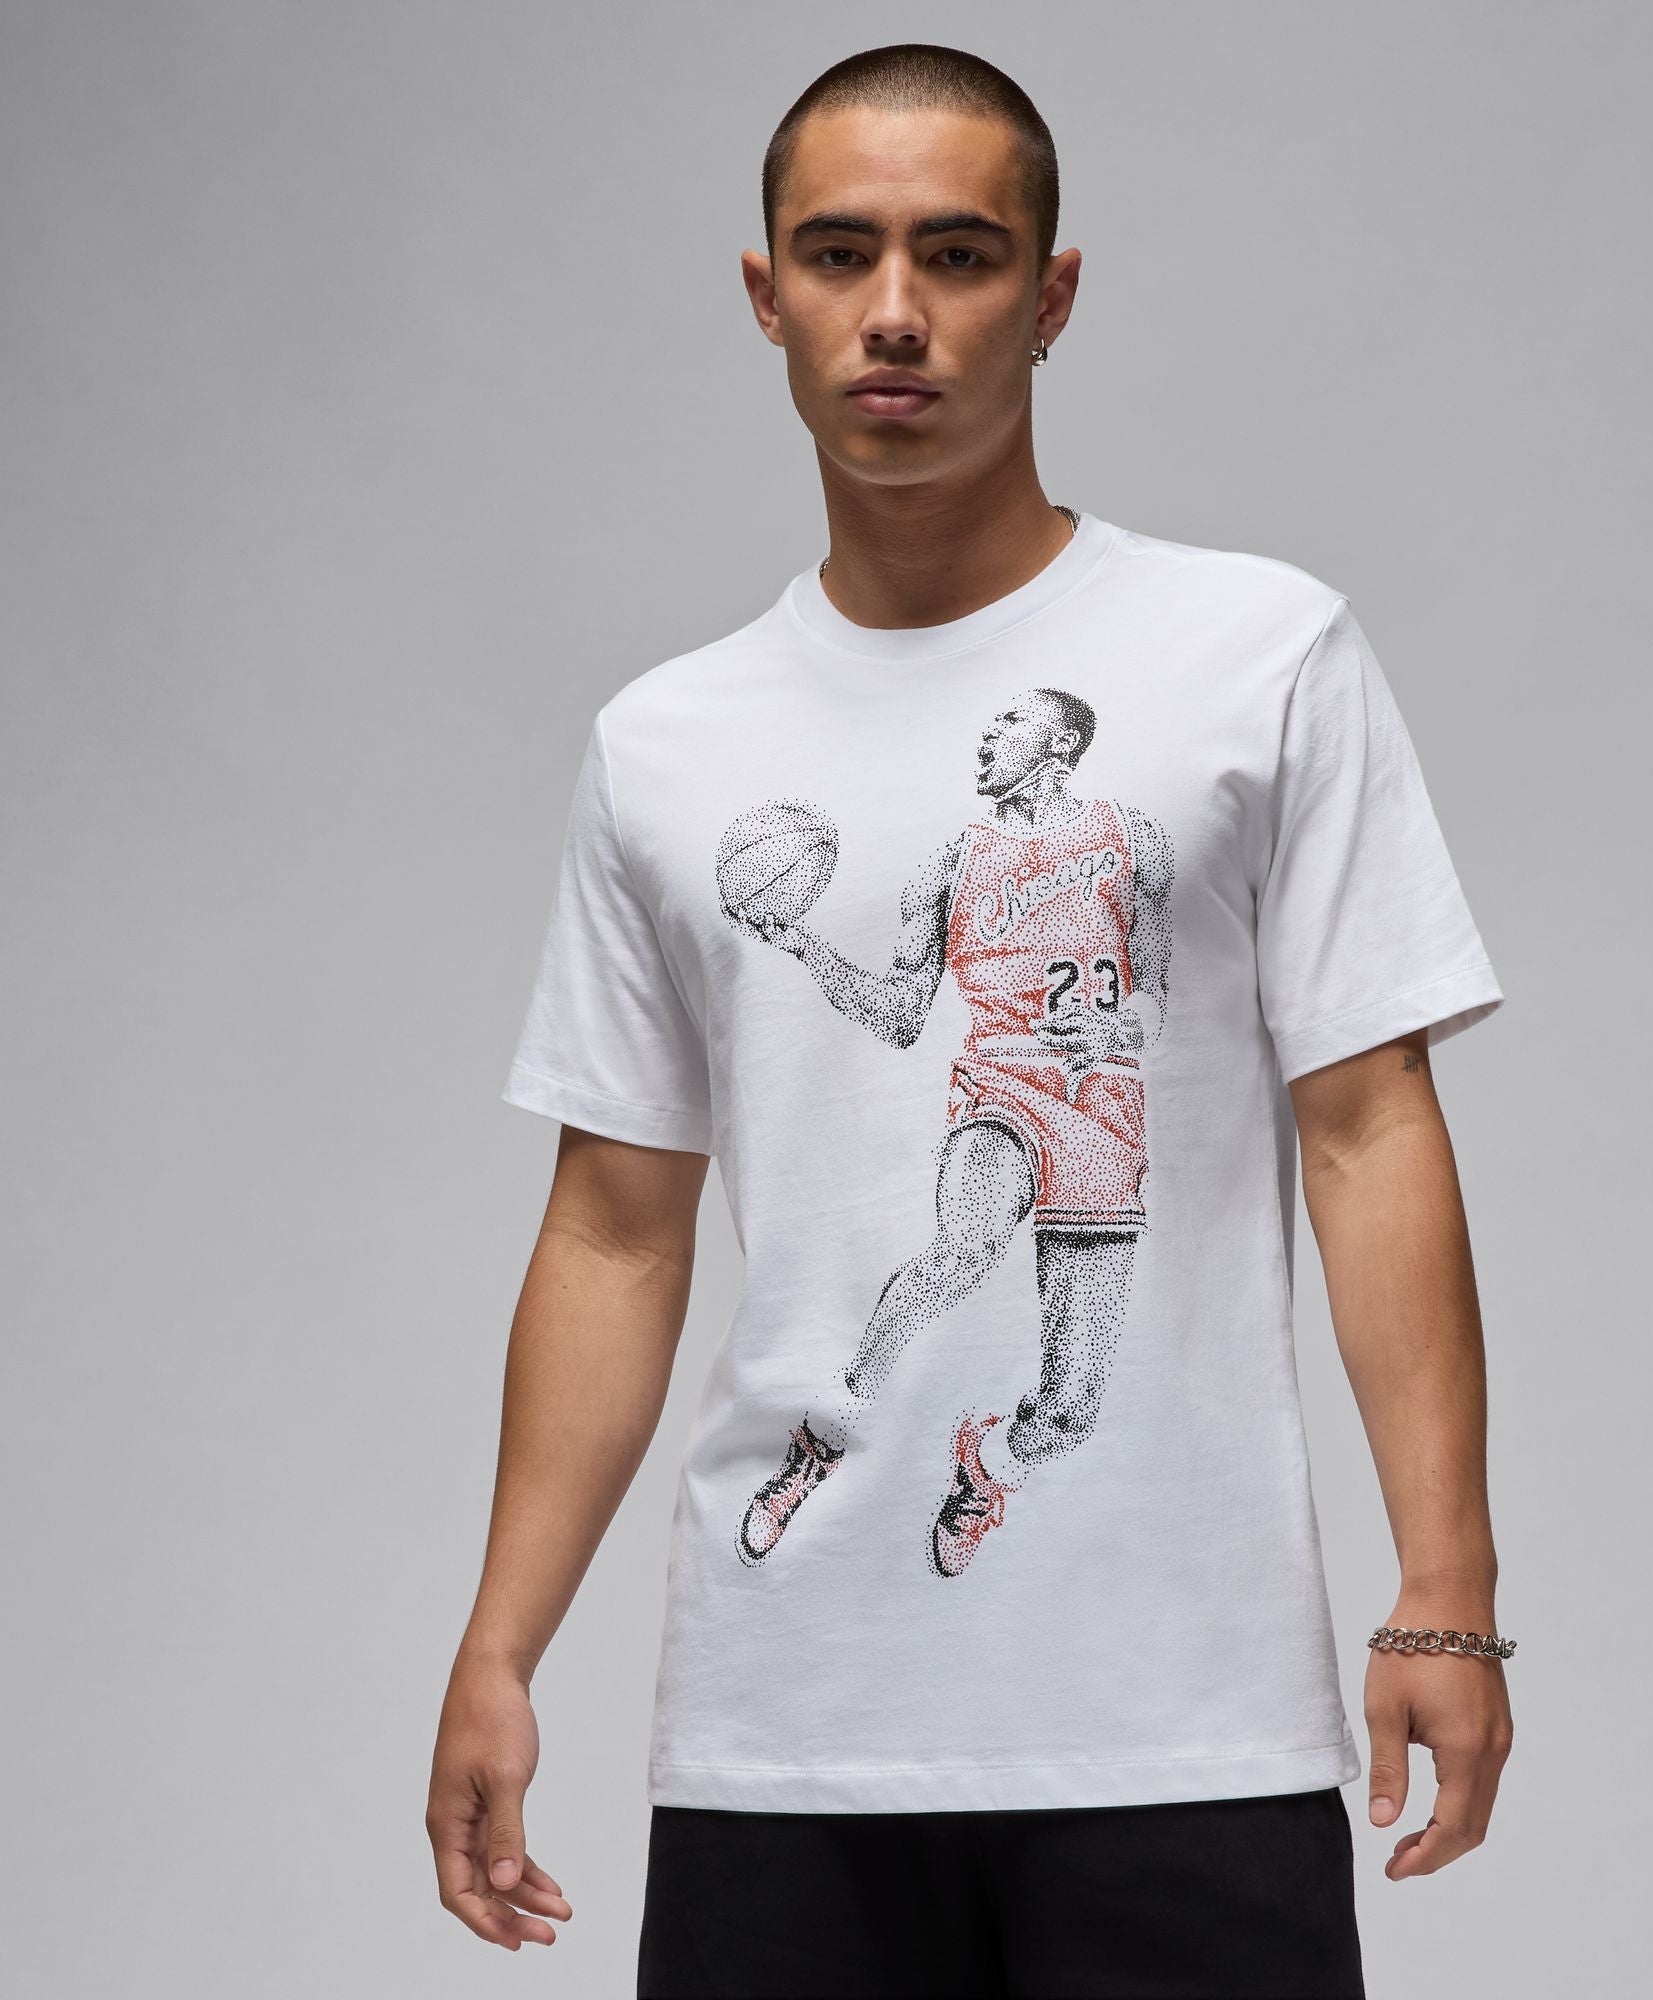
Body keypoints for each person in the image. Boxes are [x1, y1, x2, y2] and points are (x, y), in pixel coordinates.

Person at [426, 42, 1514, 2000]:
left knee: (1068, 1388)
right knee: (955, 1233)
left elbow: (1367, 1127)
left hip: (1186, 1729)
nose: (895, 311)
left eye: (958, 253)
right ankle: (835, 1434)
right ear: (767, 293)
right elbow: (613, 1227)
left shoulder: (1254, 659)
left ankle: (997, 1450)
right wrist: (500, 1645)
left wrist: (1446, 1592)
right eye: (839, 253)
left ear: (1052, 293)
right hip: (791, 1742)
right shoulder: (667, 743)